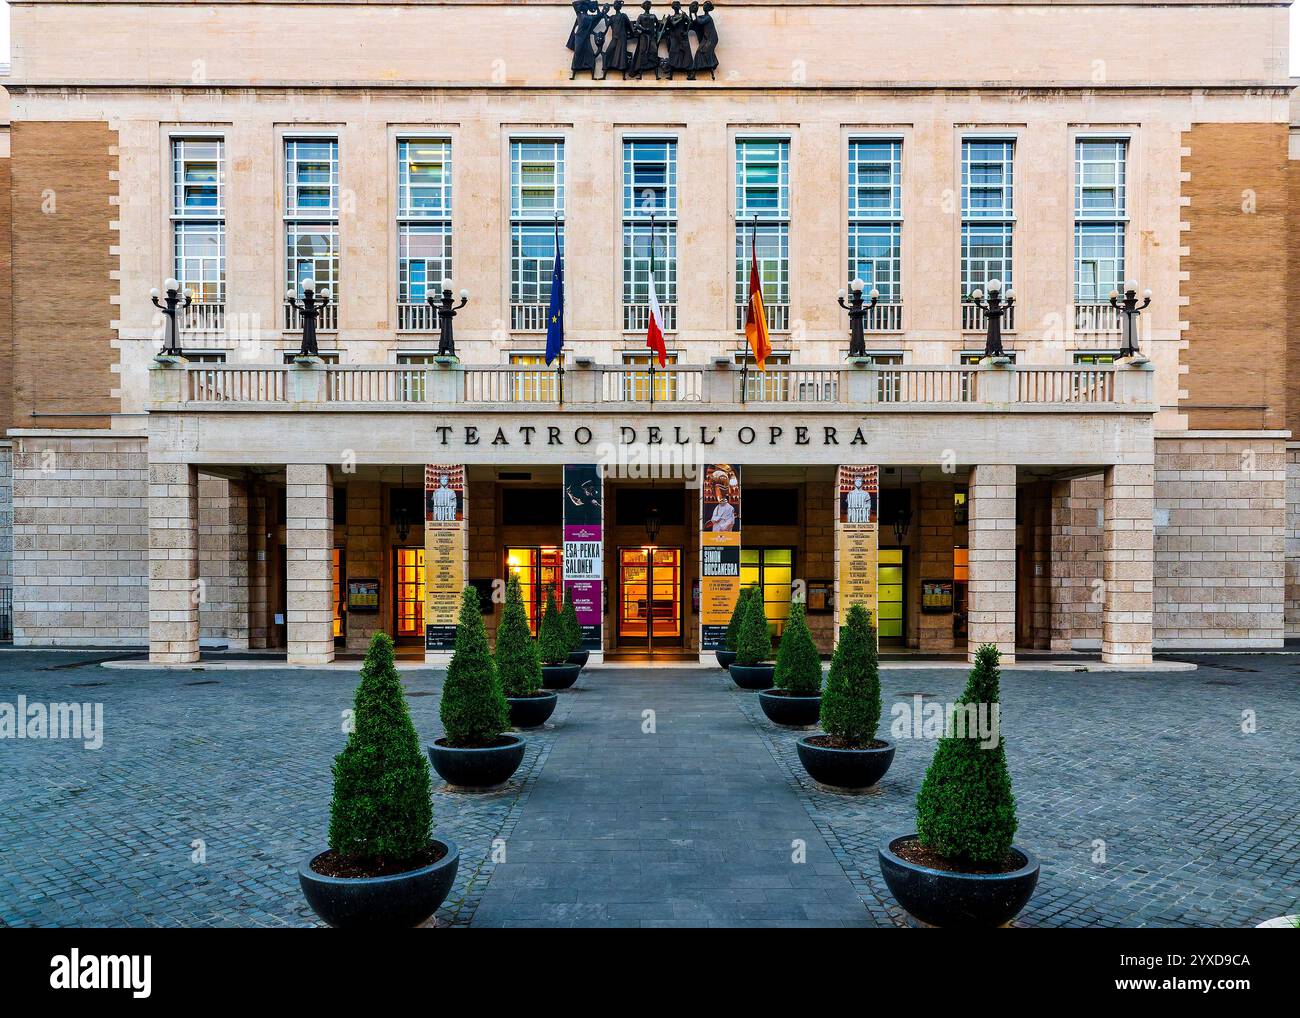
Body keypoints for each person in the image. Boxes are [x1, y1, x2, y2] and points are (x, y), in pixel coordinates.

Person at [568, 0, 603, 78]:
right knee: (577, 52)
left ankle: (592, 74)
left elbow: (600, 15)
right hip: (579, 37)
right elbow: (574, 3)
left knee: (590, 53)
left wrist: (596, 7)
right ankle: (574, 73)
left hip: (586, 38)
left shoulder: (590, 17)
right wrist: (587, 2)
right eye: (582, 6)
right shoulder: (579, 15)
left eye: (585, 6)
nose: (582, 7)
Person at [630, 1, 661, 80]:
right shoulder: (641, 16)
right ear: (644, 6)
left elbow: (658, 25)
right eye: (646, 4)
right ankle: (640, 75)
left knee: (653, 52)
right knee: (642, 52)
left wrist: (658, 31)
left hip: (651, 37)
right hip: (644, 37)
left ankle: (656, 75)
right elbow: (636, 25)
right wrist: (644, 29)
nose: (648, 6)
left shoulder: (653, 16)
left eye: (649, 4)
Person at [689, 1, 719, 80]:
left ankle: (695, 74)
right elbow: (693, 22)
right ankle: (708, 72)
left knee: (704, 52)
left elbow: (700, 21)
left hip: (711, 38)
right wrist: (690, 12)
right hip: (706, 38)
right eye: (704, 5)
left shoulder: (707, 18)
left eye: (706, 5)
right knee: (703, 53)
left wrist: (694, 13)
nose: (704, 6)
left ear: (709, 8)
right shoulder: (702, 16)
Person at [663, 2, 693, 79]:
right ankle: (671, 74)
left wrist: (687, 31)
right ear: (673, 7)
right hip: (674, 37)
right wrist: (681, 18)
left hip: (683, 36)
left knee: (686, 53)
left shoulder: (683, 15)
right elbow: (673, 24)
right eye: (675, 5)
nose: (676, 6)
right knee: (673, 53)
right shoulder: (671, 17)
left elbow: (690, 22)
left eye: (678, 5)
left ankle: (689, 73)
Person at [603, 1, 634, 77]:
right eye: (615, 4)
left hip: (622, 38)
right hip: (615, 37)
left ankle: (623, 73)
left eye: (618, 4)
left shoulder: (623, 16)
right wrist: (604, 15)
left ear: (620, 6)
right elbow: (607, 25)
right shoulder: (612, 17)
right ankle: (607, 69)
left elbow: (629, 24)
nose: (616, 5)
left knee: (622, 54)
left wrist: (633, 33)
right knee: (608, 52)